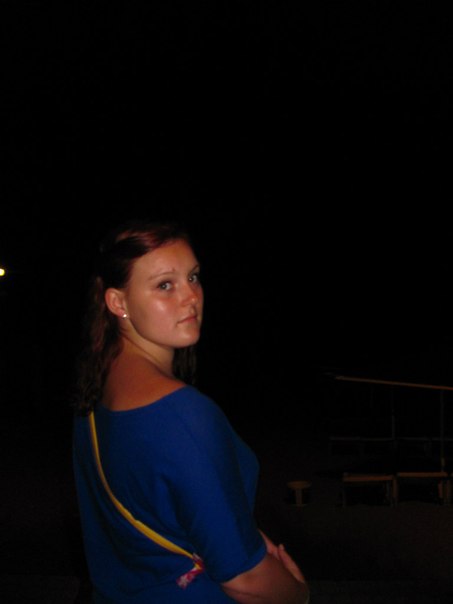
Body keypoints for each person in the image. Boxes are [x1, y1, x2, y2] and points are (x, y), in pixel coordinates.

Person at [72, 219, 309, 603]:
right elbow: (244, 580)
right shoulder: (183, 414)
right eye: (165, 285)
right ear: (118, 303)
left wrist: (237, 533)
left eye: (193, 277)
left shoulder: (95, 392)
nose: (191, 297)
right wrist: (298, 593)